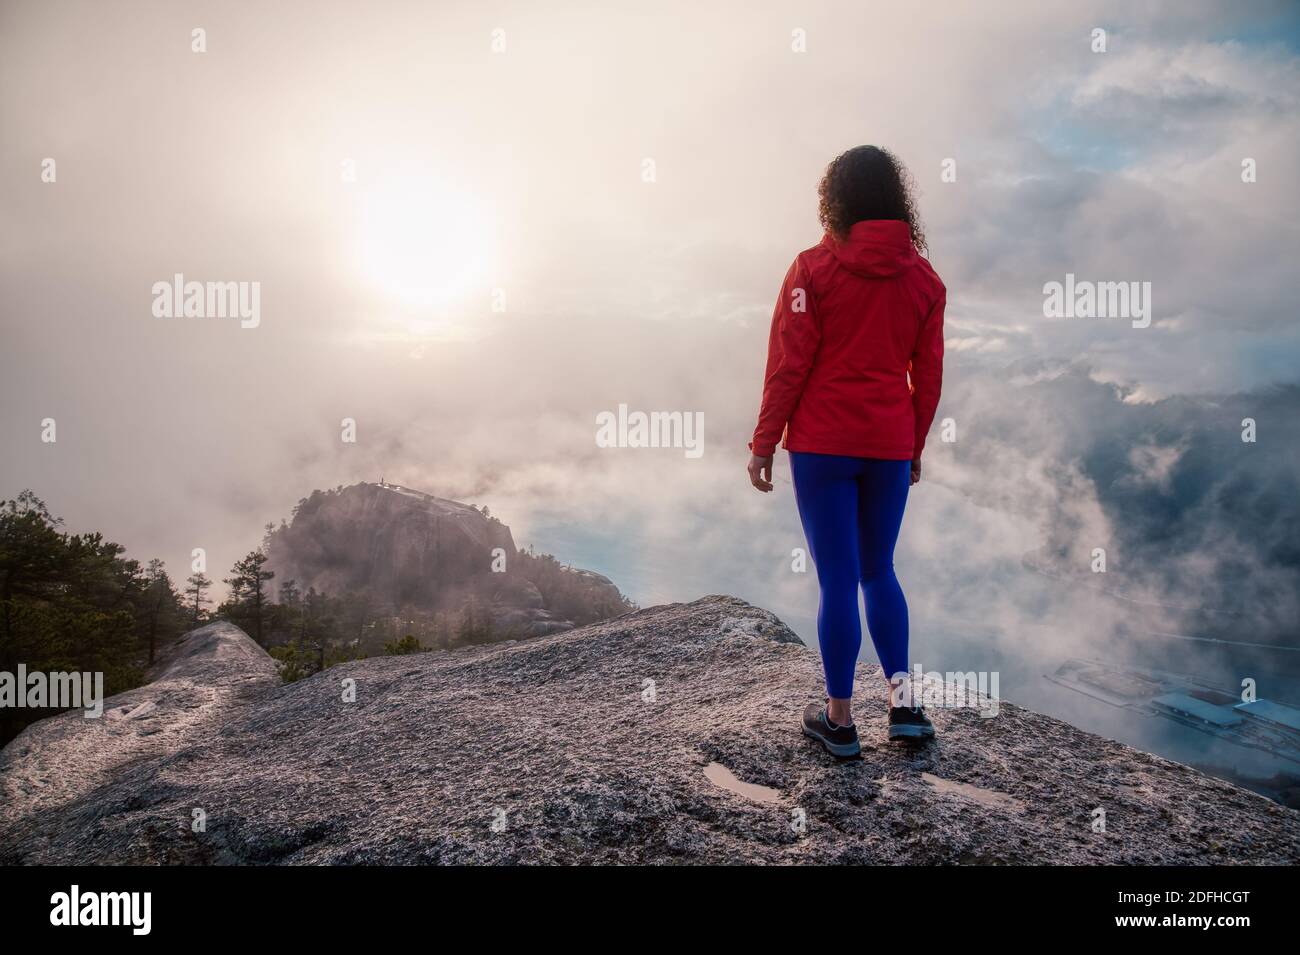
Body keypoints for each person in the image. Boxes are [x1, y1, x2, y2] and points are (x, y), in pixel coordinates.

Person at [747, 145, 945, 757]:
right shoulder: (925, 281)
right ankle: (904, 707)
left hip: (822, 445)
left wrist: (764, 443)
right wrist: (911, 445)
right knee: (879, 571)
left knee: (837, 579)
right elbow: (928, 376)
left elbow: (789, 365)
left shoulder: (811, 270)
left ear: (836, 201)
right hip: (886, 444)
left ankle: (839, 722)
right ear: (896, 201)